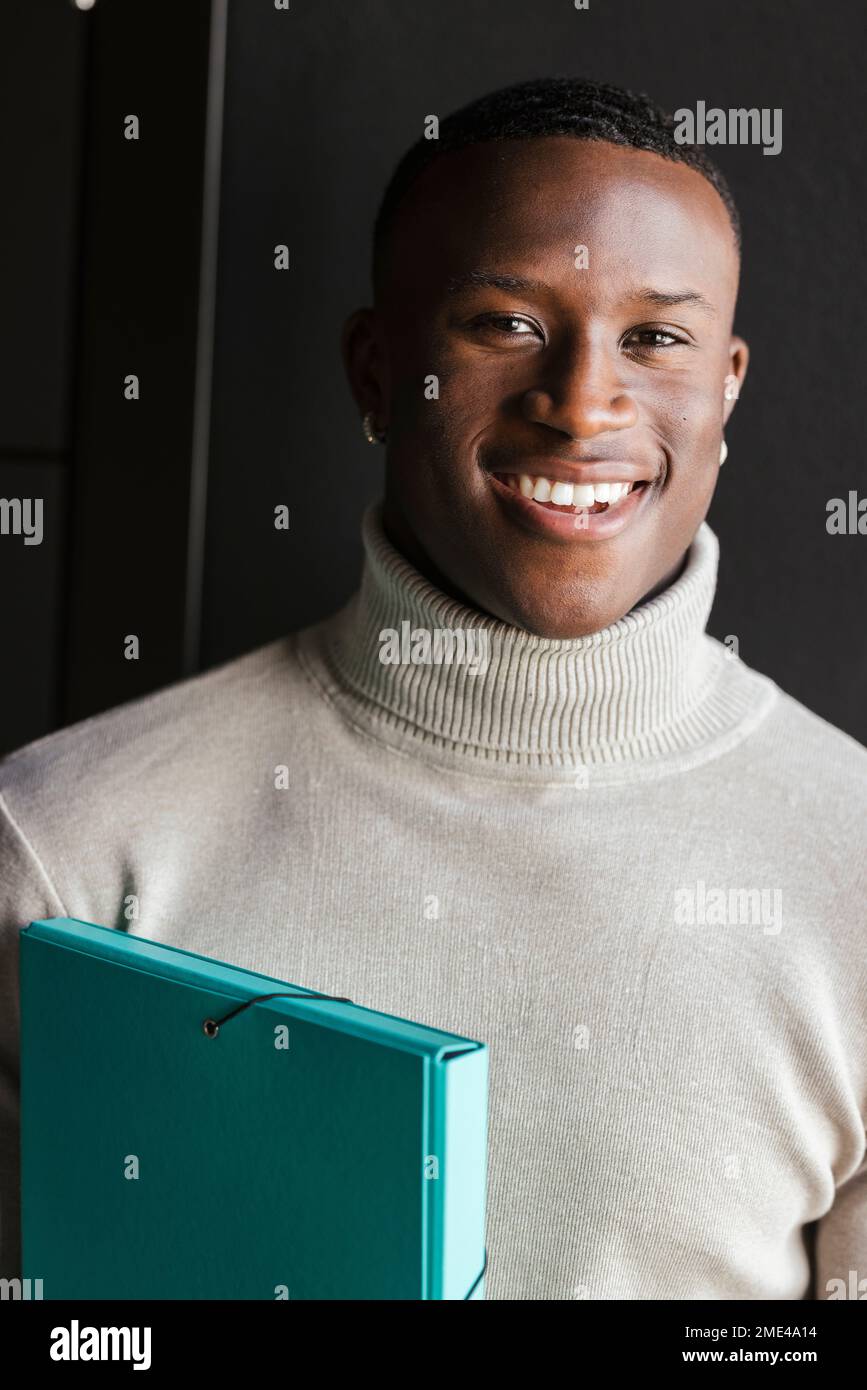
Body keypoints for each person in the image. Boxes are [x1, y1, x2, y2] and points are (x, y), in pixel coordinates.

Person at [1, 77, 865, 1299]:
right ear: (375, 369)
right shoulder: (61, 846)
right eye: (506, 322)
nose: (581, 404)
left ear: (726, 387)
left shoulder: (855, 865)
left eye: (656, 338)